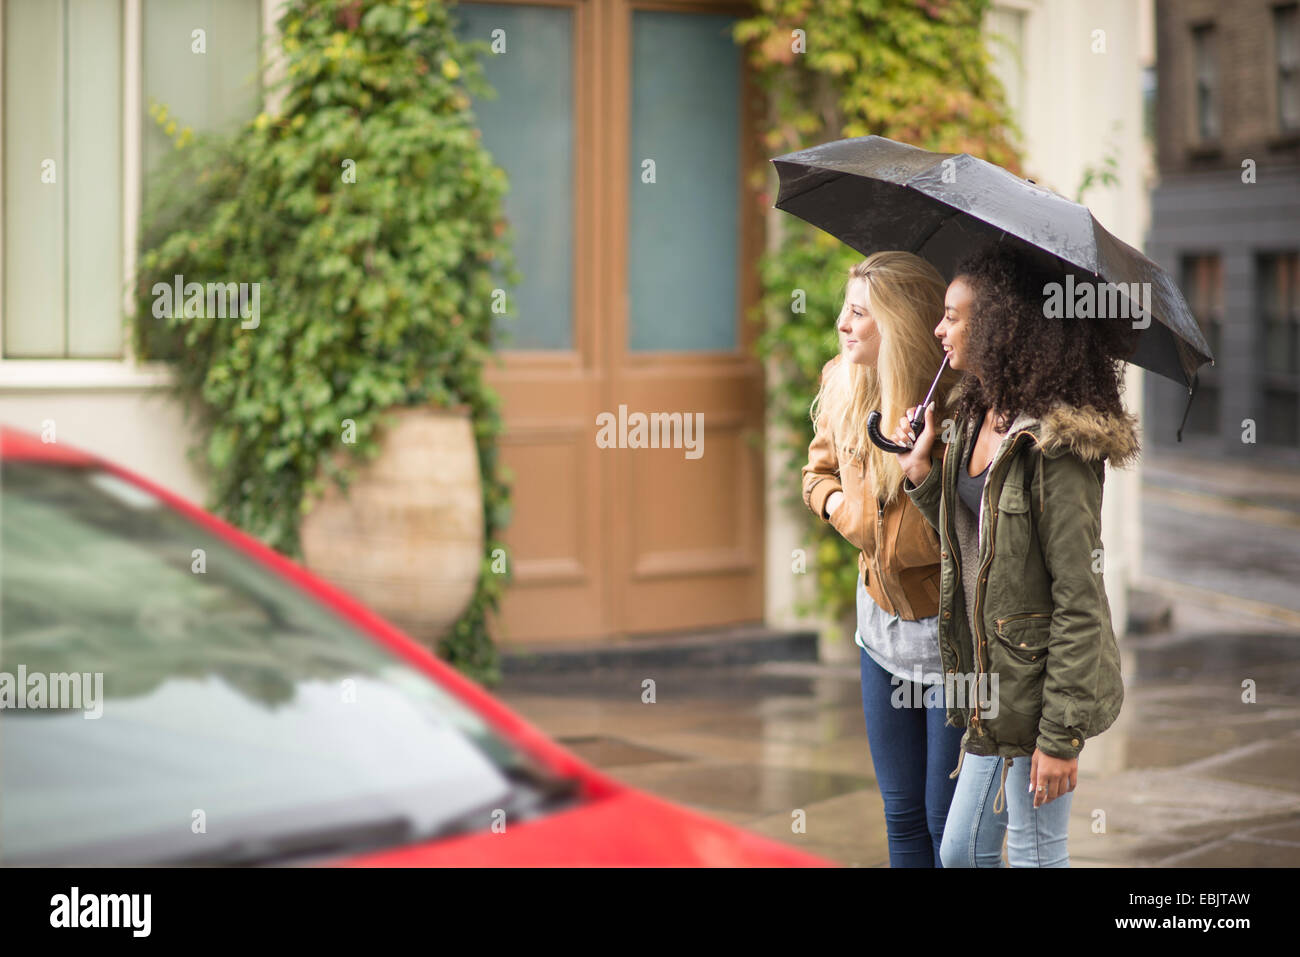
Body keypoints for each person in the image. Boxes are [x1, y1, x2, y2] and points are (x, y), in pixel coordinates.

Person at [891, 243, 1139, 867]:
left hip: (1038, 693)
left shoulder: (1056, 444)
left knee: (1030, 853)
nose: (939, 328)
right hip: (991, 687)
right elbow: (973, 542)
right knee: (963, 853)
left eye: (954, 315)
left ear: (1002, 323)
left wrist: (1060, 738)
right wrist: (922, 473)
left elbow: (1080, 600)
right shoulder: (976, 414)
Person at [802, 250, 962, 867]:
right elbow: (815, 474)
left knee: (945, 822)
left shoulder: (949, 409)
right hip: (880, 633)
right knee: (899, 816)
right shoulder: (840, 382)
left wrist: (920, 466)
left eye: (860, 313)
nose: (843, 323)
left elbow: (960, 531)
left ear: (896, 323)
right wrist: (842, 507)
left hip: (949, 642)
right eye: (846, 308)